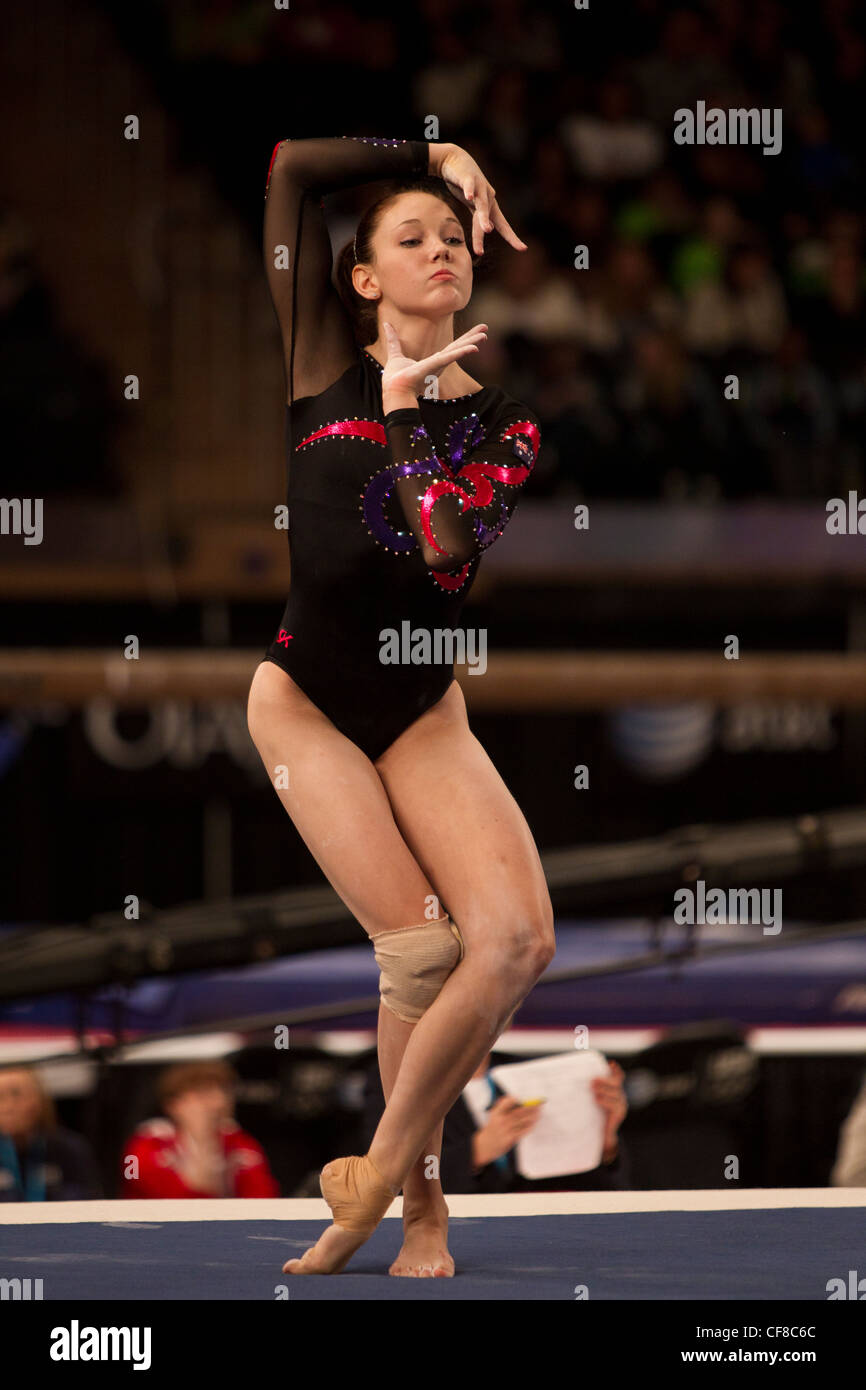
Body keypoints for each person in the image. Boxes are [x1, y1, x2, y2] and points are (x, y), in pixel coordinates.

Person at [246, 134, 554, 1276]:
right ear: (361, 275)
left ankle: (373, 1169)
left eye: (449, 237)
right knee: (422, 954)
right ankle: (415, 1212)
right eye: (407, 239)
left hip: (421, 702)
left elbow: (440, 560)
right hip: (306, 703)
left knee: (517, 940)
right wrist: (429, 151)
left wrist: (412, 411)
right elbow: (288, 171)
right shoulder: (316, 355)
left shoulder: (505, 424)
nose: (439, 252)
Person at [363, 1051, 630, 1198]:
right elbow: (388, 1179)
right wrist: (478, 1150)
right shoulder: (396, 1079)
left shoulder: (534, 1072)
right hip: (457, 1239)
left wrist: (604, 1138)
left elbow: (600, 1194)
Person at [120, 1060, 279, 1199]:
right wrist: (202, 1140)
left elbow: (263, 1200)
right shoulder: (147, 1144)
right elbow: (178, 1206)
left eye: (224, 1092)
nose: (219, 1103)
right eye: (205, 1094)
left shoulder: (240, 1143)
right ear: (174, 1104)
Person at [0, 1066, 102, 1201]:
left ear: (39, 1100)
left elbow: (93, 1202)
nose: (7, 1107)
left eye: (16, 1094)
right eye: (0, 1097)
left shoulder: (70, 1148)